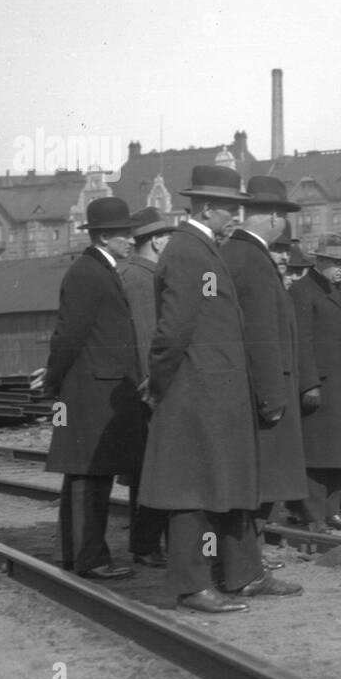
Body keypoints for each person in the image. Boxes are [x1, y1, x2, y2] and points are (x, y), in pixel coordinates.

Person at [139, 166, 282, 613]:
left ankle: (240, 575)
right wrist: (160, 383)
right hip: (195, 390)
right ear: (205, 208)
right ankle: (193, 586)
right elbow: (172, 329)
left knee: (224, 486)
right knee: (192, 493)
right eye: (229, 208)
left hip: (213, 390)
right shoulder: (188, 252)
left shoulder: (200, 248)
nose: (236, 216)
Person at [43, 197, 142, 580]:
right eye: (124, 234)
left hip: (94, 386)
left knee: (86, 476)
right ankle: (91, 559)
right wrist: (55, 381)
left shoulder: (98, 270)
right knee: (90, 476)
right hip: (91, 390)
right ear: (104, 236)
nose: (130, 240)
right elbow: (69, 335)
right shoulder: (89, 273)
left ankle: (75, 554)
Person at [220, 176, 310, 586]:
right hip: (264, 394)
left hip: (248, 390)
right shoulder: (253, 260)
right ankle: (246, 571)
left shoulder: (235, 253)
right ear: (274, 217)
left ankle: (247, 565)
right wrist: (273, 398)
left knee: (254, 486)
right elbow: (262, 336)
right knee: (257, 487)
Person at [288, 234, 341, 532]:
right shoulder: (302, 291)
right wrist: (309, 383)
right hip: (321, 386)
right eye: (336, 263)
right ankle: (313, 515)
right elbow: (301, 342)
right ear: (319, 261)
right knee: (317, 451)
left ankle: (333, 510)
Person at [118, 206, 174, 567]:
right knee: (152, 468)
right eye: (166, 237)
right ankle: (145, 544)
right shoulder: (142, 278)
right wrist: (152, 386)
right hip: (148, 390)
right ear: (155, 240)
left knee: (146, 467)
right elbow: (144, 337)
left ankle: (146, 542)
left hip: (139, 390)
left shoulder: (129, 273)